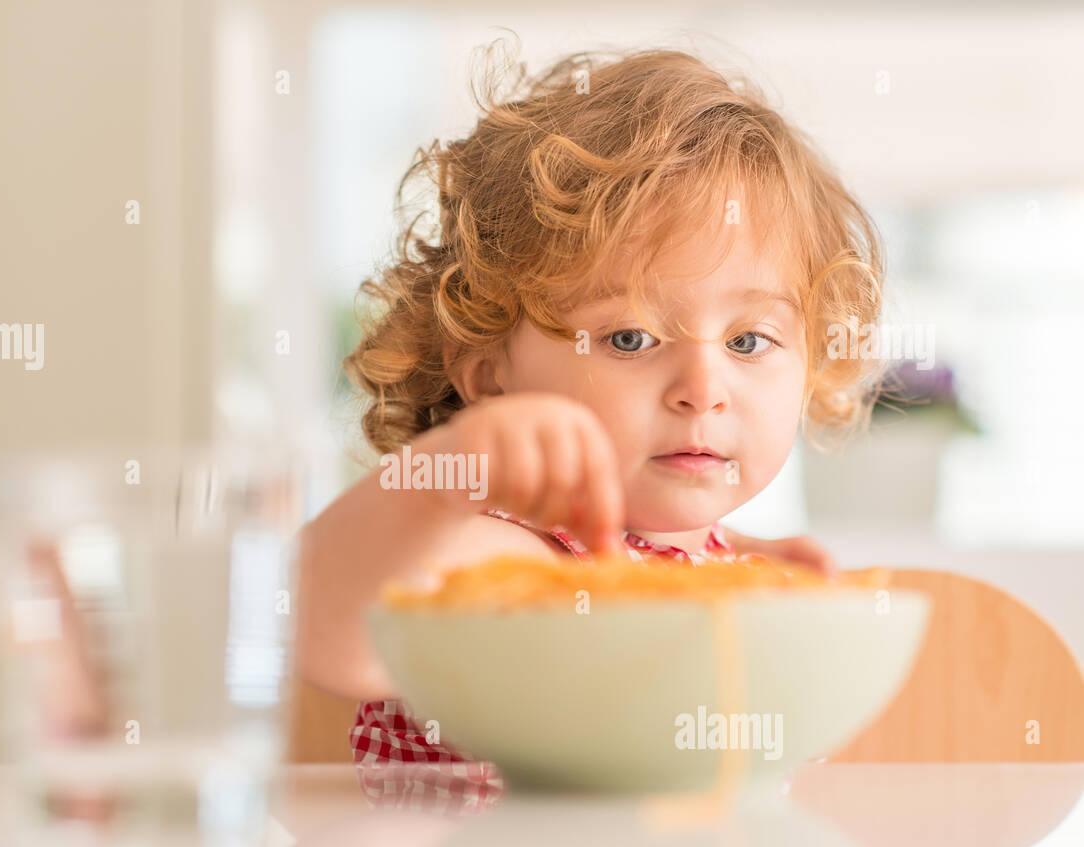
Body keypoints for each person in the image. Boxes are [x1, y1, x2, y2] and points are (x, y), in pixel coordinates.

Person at [294, 45, 892, 773]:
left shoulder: (716, 565)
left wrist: (739, 576)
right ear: (488, 375)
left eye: (748, 339)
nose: (702, 387)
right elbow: (320, 619)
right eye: (631, 337)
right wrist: (446, 472)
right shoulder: (507, 567)